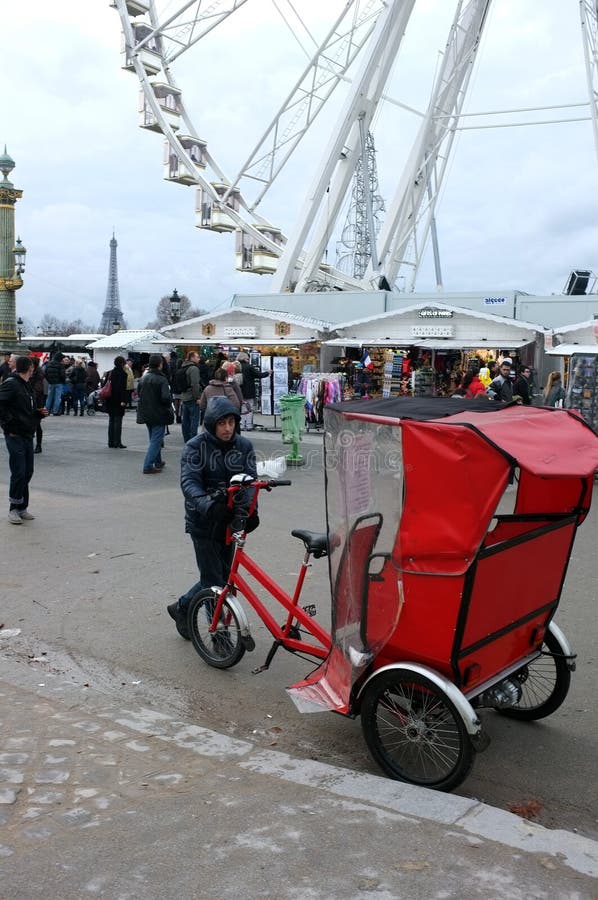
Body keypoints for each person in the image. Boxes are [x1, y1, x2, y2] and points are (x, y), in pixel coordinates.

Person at [167, 396, 258, 639]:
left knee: (223, 576)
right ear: (211, 424)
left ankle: (183, 606)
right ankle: (219, 636)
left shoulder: (244, 446)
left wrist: (250, 513)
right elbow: (189, 483)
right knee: (214, 582)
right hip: (203, 522)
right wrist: (209, 505)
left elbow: (250, 483)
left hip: (230, 523)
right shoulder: (195, 447)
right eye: (222, 423)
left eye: (231, 422)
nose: (228, 428)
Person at [0, 355, 48, 524]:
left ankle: (22, 507)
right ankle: (13, 508)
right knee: (19, 471)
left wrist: (37, 414)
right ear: (29, 368)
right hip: (15, 434)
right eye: (32, 366)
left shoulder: (27, 386)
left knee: (27, 471)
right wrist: (9, 425)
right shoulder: (12, 384)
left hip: (27, 433)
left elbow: (27, 409)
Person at [136, 353, 173, 474]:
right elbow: (165, 398)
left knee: (154, 437)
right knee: (156, 440)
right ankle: (148, 465)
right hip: (159, 412)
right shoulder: (162, 379)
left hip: (146, 411)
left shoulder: (144, 377)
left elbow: (139, 393)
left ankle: (158, 461)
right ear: (160, 365)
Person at [236, 351, 271, 430]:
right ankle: (248, 425)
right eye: (247, 358)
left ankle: (241, 424)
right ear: (244, 359)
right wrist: (267, 373)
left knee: (241, 408)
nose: (248, 360)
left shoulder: (236, 366)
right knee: (249, 408)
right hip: (249, 390)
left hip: (238, 390)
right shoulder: (249, 367)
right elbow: (259, 375)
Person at [104, 356, 128, 449]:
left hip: (110, 398)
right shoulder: (123, 374)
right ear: (122, 363)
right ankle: (117, 441)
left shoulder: (110, 373)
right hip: (118, 400)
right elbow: (122, 389)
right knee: (118, 421)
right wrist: (123, 400)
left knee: (111, 420)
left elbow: (105, 385)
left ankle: (110, 441)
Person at [178, 351, 202, 443]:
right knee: (194, 420)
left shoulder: (183, 367)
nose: (199, 359)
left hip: (184, 396)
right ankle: (193, 440)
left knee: (185, 421)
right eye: (197, 357)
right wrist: (197, 397)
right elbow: (195, 384)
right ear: (192, 358)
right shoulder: (193, 369)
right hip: (192, 397)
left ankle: (186, 439)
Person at [29, 356, 47, 453]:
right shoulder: (32, 373)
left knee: (37, 424)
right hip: (33, 401)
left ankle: (38, 445)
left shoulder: (38, 375)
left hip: (37, 402)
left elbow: (38, 389)